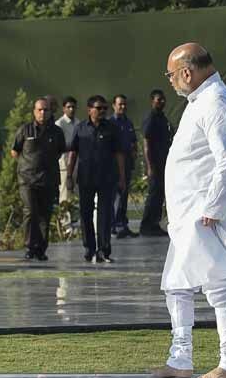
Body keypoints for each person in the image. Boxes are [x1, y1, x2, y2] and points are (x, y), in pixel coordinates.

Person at [152, 43, 226, 378]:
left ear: (187, 72)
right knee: (177, 285)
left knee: (219, 285)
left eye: (171, 74)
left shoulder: (217, 102)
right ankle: (180, 359)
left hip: (205, 213)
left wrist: (214, 208)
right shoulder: (201, 101)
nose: (170, 81)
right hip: (188, 214)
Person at [67, 95, 126, 263]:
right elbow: (73, 153)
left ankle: (104, 251)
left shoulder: (112, 128)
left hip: (107, 177)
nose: (102, 111)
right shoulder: (80, 128)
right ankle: (89, 249)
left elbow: (119, 154)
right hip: (86, 177)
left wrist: (122, 177)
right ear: (89, 110)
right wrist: (69, 175)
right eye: (99, 108)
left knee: (105, 215)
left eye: (104, 108)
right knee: (85, 214)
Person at [11, 98, 65, 261]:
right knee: (30, 211)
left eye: (46, 110)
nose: (43, 113)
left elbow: (60, 151)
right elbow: (15, 151)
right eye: (39, 110)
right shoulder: (25, 130)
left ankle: (41, 249)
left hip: (48, 179)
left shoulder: (57, 132)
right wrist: (26, 165)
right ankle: (29, 247)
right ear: (34, 111)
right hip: (27, 179)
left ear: (50, 112)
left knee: (44, 215)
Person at [139, 89, 172, 236]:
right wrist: (149, 166)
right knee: (153, 194)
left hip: (163, 162)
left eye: (163, 99)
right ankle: (146, 226)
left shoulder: (162, 117)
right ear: (152, 101)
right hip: (154, 163)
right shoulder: (151, 117)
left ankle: (154, 224)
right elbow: (146, 142)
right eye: (159, 100)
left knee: (159, 194)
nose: (162, 102)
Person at [111, 94, 139, 238]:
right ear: (114, 106)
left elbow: (133, 140)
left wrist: (134, 150)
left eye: (124, 104)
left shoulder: (128, 122)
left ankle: (122, 224)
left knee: (123, 195)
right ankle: (114, 226)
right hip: (114, 165)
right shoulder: (110, 123)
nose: (123, 107)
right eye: (120, 104)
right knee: (115, 195)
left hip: (127, 163)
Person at [55, 97, 79, 226]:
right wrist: (72, 146)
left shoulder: (78, 123)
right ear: (64, 108)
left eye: (73, 107)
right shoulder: (59, 124)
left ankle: (74, 223)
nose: (71, 109)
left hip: (77, 165)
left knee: (75, 195)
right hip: (64, 166)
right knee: (64, 195)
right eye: (69, 107)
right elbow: (59, 145)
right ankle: (65, 225)